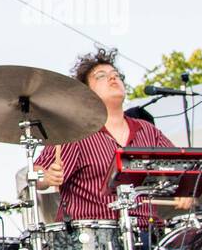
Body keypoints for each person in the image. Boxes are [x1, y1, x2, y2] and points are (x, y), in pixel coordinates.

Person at [34, 48, 193, 226]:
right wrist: (46, 177)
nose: (112, 78)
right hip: (93, 238)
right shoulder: (77, 132)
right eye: (101, 76)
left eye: (115, 74)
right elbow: (36, 175)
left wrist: (184, 190)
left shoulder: (147, 131)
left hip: (147, 233)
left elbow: (180, 168)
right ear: (87, 93)